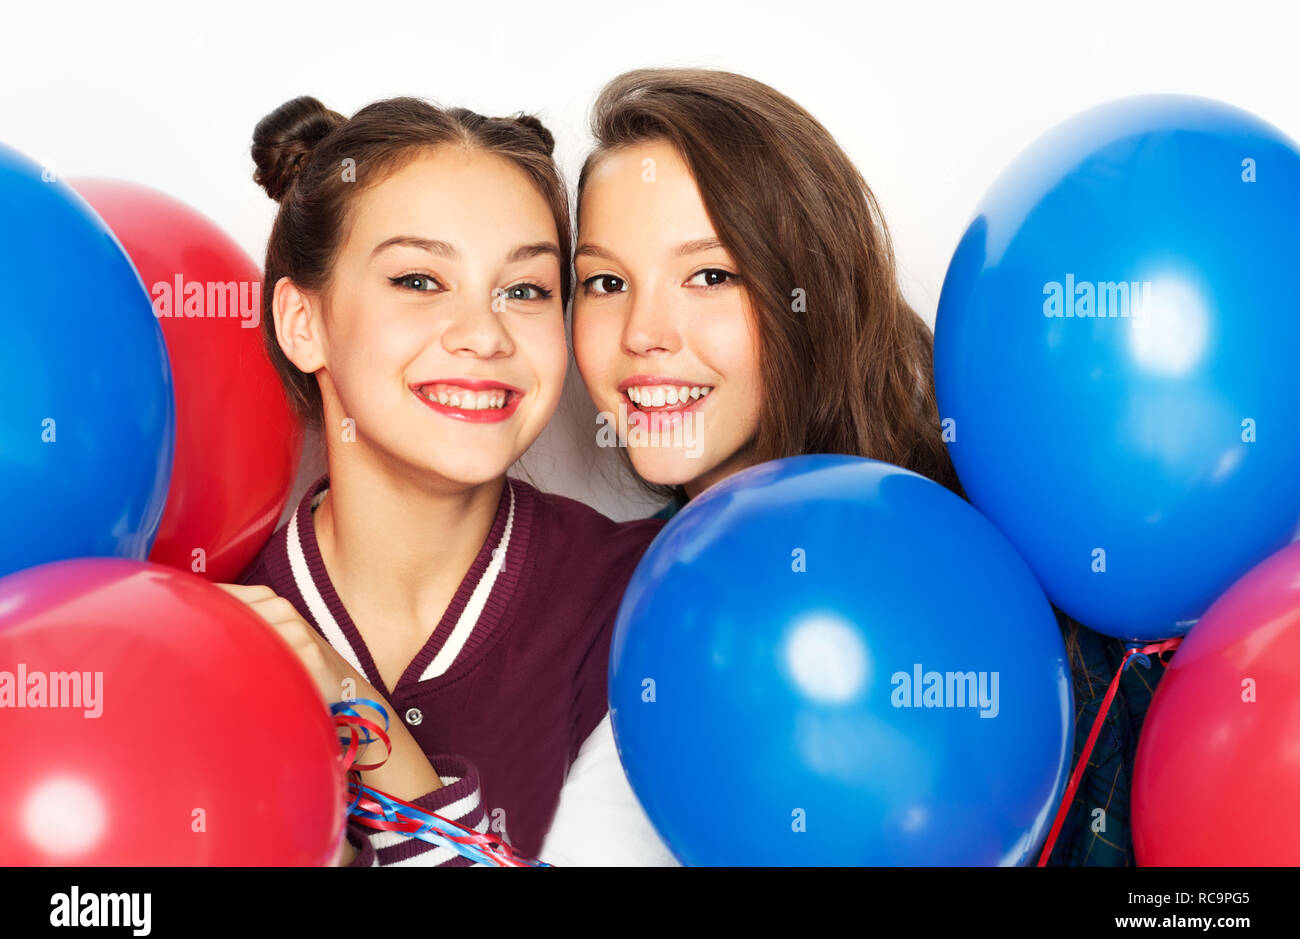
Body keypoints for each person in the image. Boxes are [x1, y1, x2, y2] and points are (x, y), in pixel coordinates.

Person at [542, 67, 1158, 866]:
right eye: (605, 282)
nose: (643, 332)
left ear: (813, 289)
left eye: (711, 275)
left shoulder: (1002, 575)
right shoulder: (623, 608)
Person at [222, 94, 660, 866]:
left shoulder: (643, 597)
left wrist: (361, 717)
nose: (485, 335)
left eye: (524, 290)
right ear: (303, 322)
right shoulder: (212, 624)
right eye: (420, 281)